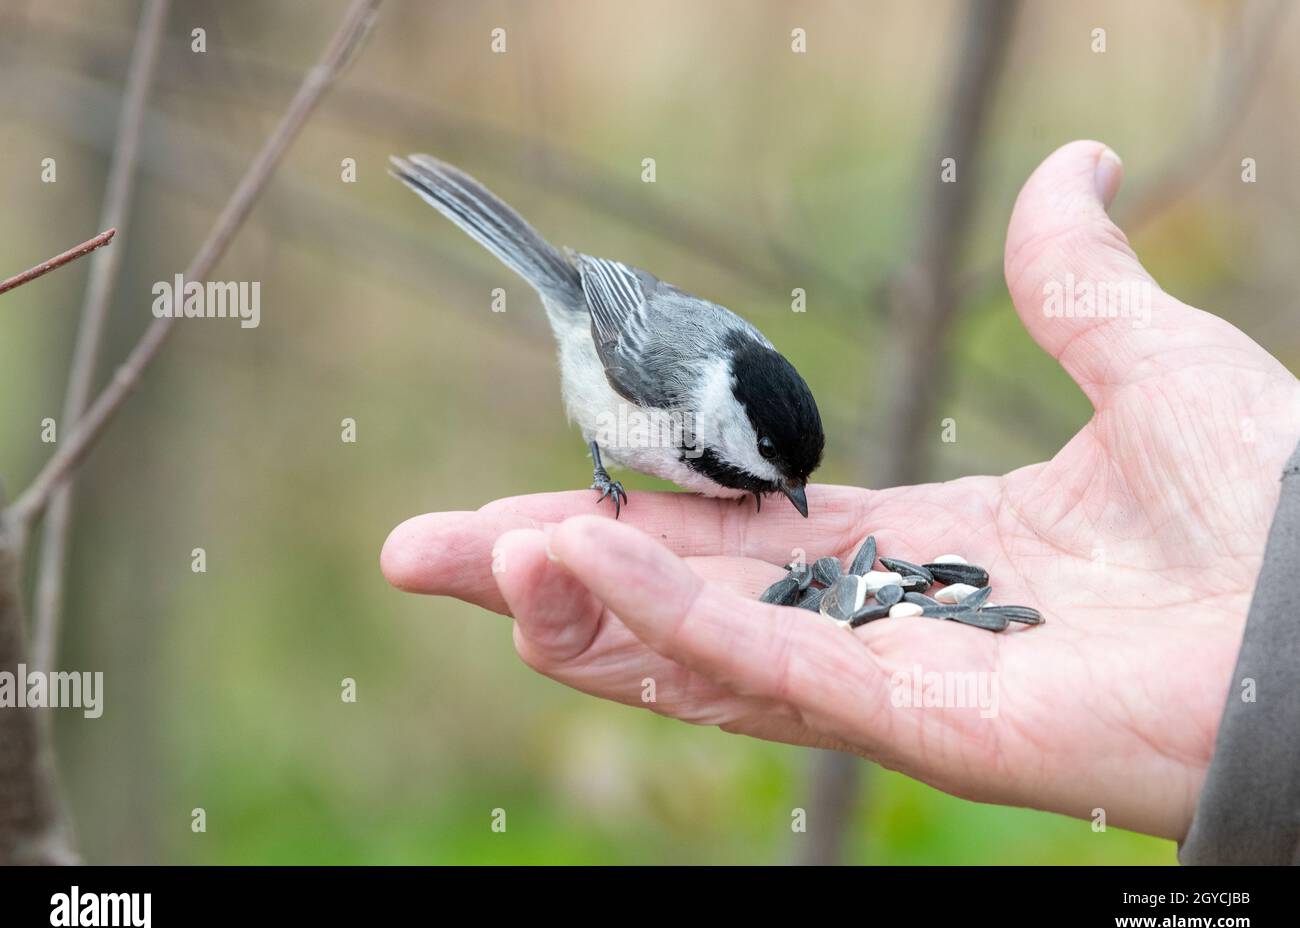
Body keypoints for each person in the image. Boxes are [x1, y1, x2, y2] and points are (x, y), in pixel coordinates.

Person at [379, 141, 1300, 863]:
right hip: (601, 319)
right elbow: (617, 305)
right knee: (599, 467)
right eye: (779, 471)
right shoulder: (666, 385)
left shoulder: (747, 385)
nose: (792, 497)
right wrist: (606, 468)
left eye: (791, 479)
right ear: (734, 427)